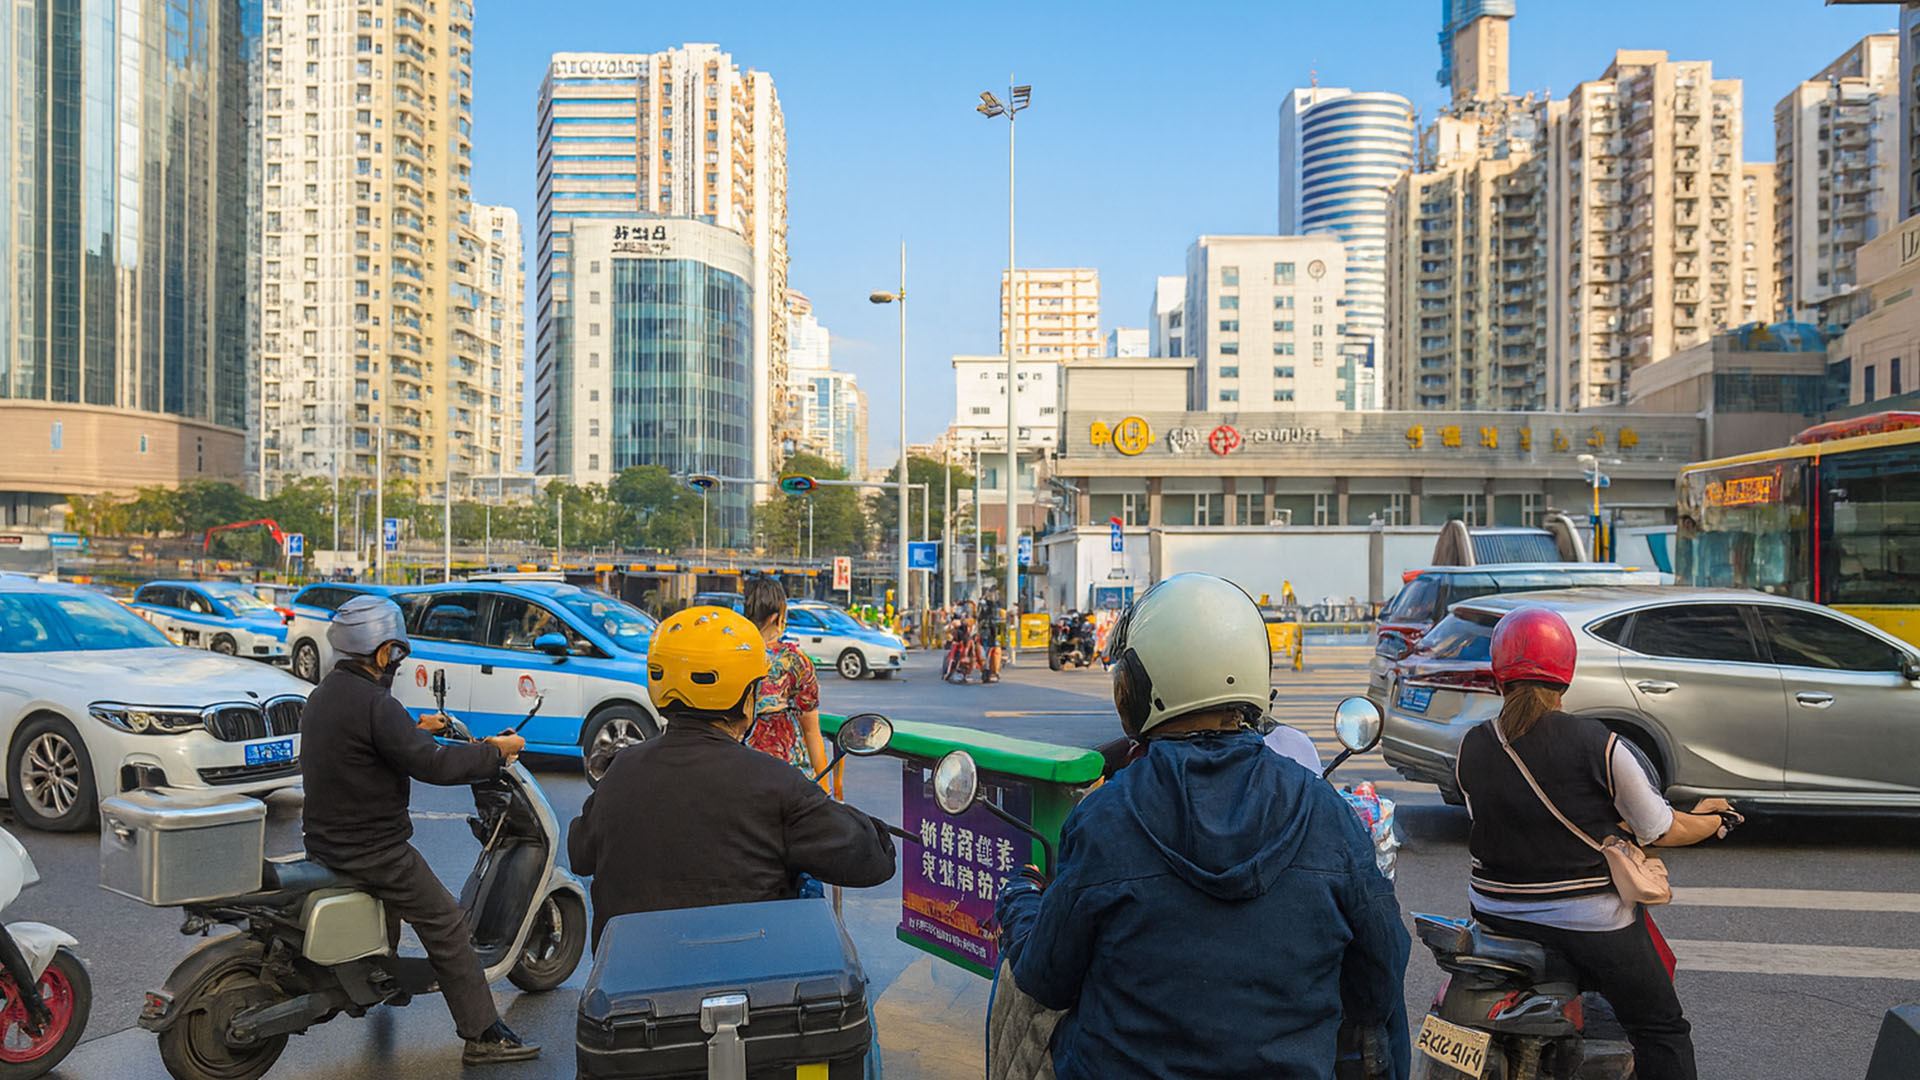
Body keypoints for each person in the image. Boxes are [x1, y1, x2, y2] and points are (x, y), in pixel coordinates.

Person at [994, 573, 1411, 1080]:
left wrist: (1019, 896)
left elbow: (1045, 977)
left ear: (1141, 687)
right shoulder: (1324, 810)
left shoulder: (1105, 816)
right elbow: (1381, 979)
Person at [1455, 605, 1741, 1080]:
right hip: (1587, 921)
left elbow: (1487, 819)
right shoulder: (1596, 743)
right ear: (1564, 674)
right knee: (1661, 1028)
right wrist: (1714, 822)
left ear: (1498, 674)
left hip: (1495, 916)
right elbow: (1659, 828)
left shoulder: (1472, 745)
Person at [567, 605, 897, 948]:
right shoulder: (776, 782)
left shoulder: (621, 772)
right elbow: (872, 861)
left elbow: (580, 852)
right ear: (746, 695)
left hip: (631, 981)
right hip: (748, 979)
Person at [299, 595, 538, 1065]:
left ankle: (380, 980)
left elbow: (372, 743)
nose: (399, 663)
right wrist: (495, 752)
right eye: (397, 653)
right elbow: (432, 764)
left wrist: (416, 725)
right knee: (446, 922)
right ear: (385, 652)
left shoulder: (323, 697)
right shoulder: (375, 704)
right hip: (374, 850)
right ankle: (484, 1034)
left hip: (324, 842)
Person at [742, 576, 829, 780]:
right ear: (775, 616)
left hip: (740, 773)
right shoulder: (793, 661)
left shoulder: (729, 655)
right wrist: (824, 787)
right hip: (788, 774)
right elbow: (811, 732)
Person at [976, 598, 1003, 683]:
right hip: (980, 636)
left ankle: (994, 672)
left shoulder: (995, 615)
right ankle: (983, 670)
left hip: (991, 637)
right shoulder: (978, 616)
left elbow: (997, 626)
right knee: (976, 648)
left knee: (997, 650)